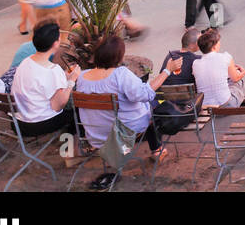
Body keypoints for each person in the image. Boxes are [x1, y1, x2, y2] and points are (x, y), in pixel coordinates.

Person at [74, 33, 173, 178]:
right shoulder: (121, 75)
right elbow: (146, 94)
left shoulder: (82, 77)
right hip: (121, 136)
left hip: (95, 136)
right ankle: (157, 149)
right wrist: (167, 70)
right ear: (119, 57)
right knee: (156, 100)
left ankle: (156, 148)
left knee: (144, 103)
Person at [9, 22, 80, 136]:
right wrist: (72, 80)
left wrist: (64, 76)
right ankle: (72, 143)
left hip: (17, 122)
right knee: (78, 109)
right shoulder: (52, 70)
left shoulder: (26, 62)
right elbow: (58, 106)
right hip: (37, 125)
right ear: (56, 43)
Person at [191, 27, 245, 109]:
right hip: (226, 104)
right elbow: (235, 78)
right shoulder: (226, 57)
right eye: (218, 42)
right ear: (214, 46)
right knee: (239, 80)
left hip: (204, 105)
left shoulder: (195, 64)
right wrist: (243, 72)